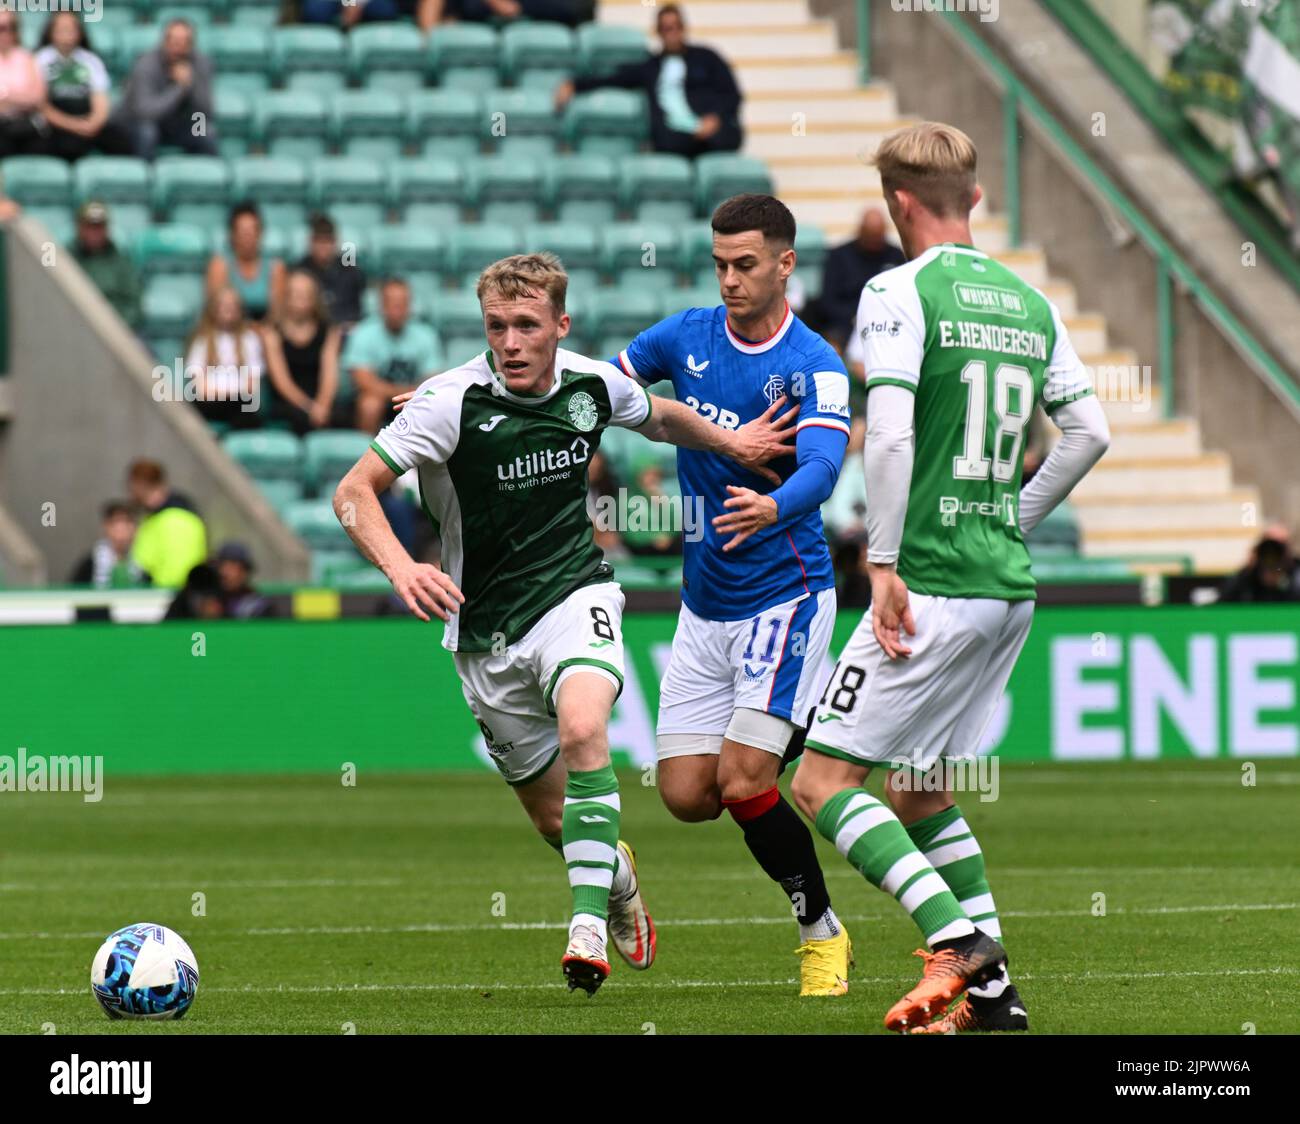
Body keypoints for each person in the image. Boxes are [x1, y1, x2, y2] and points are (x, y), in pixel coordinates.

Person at [336, 251, 793, 994]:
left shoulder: (590, 384)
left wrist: (734, 440)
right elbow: (353, 491)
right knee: (559, 823)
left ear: (560, 325)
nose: (511, 342)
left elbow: (660, 416)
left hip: (574, 597)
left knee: (585, 729)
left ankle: (583, 928)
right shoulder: (447, 404)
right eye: (496, 327)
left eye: (526, 325)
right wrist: (402, 567)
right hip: (484, 634)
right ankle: (613, 879)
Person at [791, 122, 1111, 1034]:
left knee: (821, 783)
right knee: (921, 790)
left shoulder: (897, 289)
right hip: (1005, 584)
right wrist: (1012, 516)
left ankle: (957, 943)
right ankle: (996, 1005)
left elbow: (886, 434)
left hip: (929, 578)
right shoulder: (1027, 301)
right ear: (972, 199)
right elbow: (1091, 434)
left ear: (897, 204)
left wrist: (881, 560)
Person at [610, 193, 855, 997]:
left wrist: (771, 504)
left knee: (746, 780)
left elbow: (822, 469)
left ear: (785, 264)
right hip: (705, 604)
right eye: (719, 264)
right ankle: (805, 718)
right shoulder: (683, 336)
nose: (729, 280)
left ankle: (821, 933)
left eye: (745, 264)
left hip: (786, 594)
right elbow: (608, 390)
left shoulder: (813, 362)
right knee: (687, 796)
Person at [555, 4, 742, 158]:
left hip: (712, 138)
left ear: (684, 27)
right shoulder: (650, 67)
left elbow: (732, 94)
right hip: (673, 144)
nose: (673, 32)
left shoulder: (707, 57)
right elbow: (613, 78)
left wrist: (716, 118)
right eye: (667, 28)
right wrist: (575, 84)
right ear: (659, 32)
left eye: (677, 26)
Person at [342, 277, 440, 433]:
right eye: (391, 303)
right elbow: (363, 381)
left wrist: (410, 394)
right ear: (381, 305)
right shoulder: (363, 333)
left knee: (435, 406)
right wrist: (402, 392)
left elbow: (433, 380)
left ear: (409, 306)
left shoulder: (426, 335)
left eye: (402, 304)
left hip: (413, 399)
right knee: (370, 405)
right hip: (378, 398)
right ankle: (369, 454)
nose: (397, 310)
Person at [34, 11, 130, 161]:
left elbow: (101, 101)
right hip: (56, 124)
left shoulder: (91, 61)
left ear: (80, 32)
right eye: (61, 29)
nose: (66, 34)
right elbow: (41, 106)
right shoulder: (39, 60)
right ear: (50, 32)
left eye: (71, 29)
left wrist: (92, 124)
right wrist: (75, 125)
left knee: (123, 143)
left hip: (86, 117)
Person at [117, 19, 217, 161]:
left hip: (180, 124)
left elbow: (206, 111)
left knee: (205, 130)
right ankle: (147, 177)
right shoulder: (146, 64)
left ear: (192, 45)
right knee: (147, 132)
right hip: (142, 123)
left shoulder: (201, 63)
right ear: (164, 42)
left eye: (185, 42)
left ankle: (205, 176)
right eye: (174, 41)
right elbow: (145, 112)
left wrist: (191, 85)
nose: (179, 48)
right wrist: (179, 88)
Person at [265, 269, 346, 435]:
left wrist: (322, 405)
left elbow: (329, 374)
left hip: (319, 397)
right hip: (288, 401)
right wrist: (309, 407)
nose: (299, 299)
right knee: (301, 418)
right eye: (294, 293)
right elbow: (282, 382)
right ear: (286, 297)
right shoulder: (272, 331)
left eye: (304, 294)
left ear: (314, 298)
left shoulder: (329, 330)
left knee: (343, 417)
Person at [817, 208, 906, 352]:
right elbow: (828, 301)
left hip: (887, 321)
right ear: (860, 231)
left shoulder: (896, 256)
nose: (874, 241)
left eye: (878, 236)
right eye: (871, 236)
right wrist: (856, 315)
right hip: (845, 323)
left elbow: (904, 297)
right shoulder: (839, 256)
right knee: (832, 345)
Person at [185, 287, 266, 430]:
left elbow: (252, 386)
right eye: (223, 305)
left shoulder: (250, 339)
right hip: (210, 403)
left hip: (239, 402)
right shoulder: (202, 340)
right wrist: (223, 393)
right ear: (213, 309)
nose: (229, 309)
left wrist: (230, 394)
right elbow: (199, 386)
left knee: (249, 412)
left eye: (233, 305)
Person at [127, 459, 208, 590]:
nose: (130, 494)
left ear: (140, 485)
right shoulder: (158, 518)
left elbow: (177, 569)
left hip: (166, 600)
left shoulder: (175, 519)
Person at [206, 202, 285, 326]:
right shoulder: (220, 265)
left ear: (260, 233)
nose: (248, 236)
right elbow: (215, 311)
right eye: (242, 231)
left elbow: (276, 315)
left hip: (264, 333)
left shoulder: (275, 267)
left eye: (253, 230)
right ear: (232, 234)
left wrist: (256, 333)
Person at [69, 201, 143, 332]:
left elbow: (133, 304)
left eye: (99, 227)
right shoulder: (66, 258)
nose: (94, 233)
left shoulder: (121, 260)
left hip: (113, 331)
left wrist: (117, 326)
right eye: (90, 226)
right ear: (79, 227)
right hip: (73, 328)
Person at [294, 214, 366, 329]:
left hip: (344, 331)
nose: (323, 246)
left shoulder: (350, 271)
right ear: (310, 242)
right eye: (319, 241)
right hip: (310, 333)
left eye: (327, 241)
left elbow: (356, 310)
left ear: (335, 242)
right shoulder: (300, 272)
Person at [69, 501, 151, 588]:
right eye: (115, 522)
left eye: (127, 522)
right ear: (106, 527)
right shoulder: (90, 563)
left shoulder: (144, 561)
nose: (121, 529)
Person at [0, 10, 46, 158]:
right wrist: (20, 98)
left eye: (11, 27)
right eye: (1, 28)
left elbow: (38, 99)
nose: (5, 33)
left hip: (25, 125)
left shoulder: (28, 58)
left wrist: (6, 97)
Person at [1218, 534, 1300, 602]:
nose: (1272, 554)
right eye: (1267, 548)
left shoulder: (1294, 572)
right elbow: (1224, 597)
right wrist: (1247, 569)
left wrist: (1289, 569)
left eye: (1277, 547)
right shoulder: (1250, 576)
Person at [214, 541, 274, 619]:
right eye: (221, 565)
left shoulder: (259, 606)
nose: (224, 572)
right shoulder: (213, 601)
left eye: (232, 566)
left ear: (245, 571)